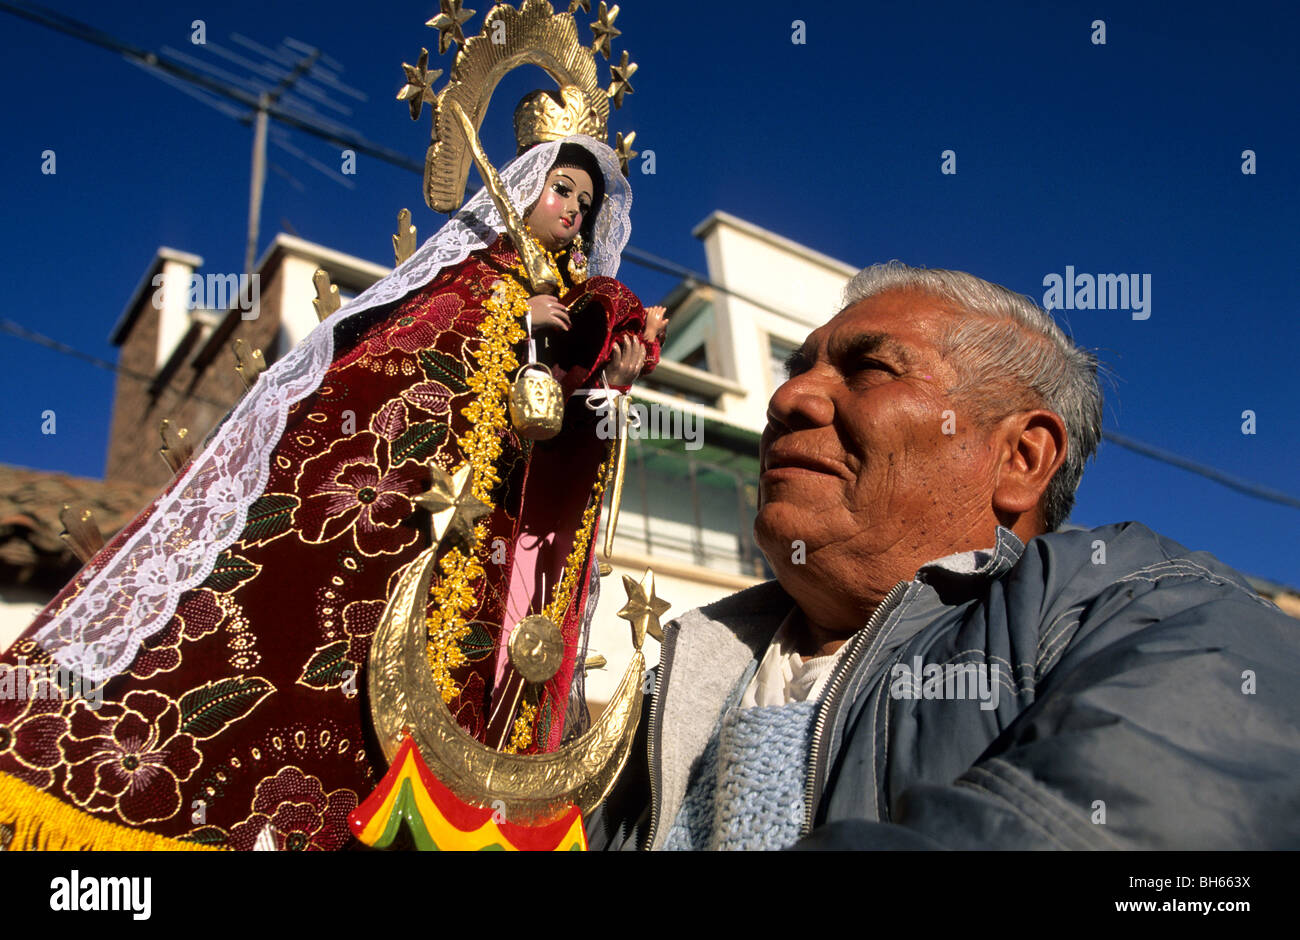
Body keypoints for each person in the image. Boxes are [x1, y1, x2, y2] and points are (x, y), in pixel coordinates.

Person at [0, 133, 664, 851]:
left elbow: (561, 459)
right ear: (525, 185)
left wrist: (610, 387)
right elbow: (402, 368)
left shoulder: (571, 313)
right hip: (413, 526)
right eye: (561, 188)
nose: (572, 209)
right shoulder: (471, 280)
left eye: (585, 203)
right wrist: (512, 316)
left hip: (490, 566)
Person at [586, 261, 1300, 851]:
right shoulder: (670, 681)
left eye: (870, 370)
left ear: (1021, 457)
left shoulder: (1134, 605)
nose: (789, 397)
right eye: (797, 367)